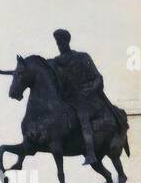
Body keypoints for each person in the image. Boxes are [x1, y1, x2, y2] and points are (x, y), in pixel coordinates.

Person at [50, 28, 127, 167]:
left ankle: (90, 152)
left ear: (67, 41)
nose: (59, 44)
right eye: (57, 42)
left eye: (61, 41)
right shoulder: (55, 62)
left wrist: (89, 89)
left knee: (82, 115)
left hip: (87, 99)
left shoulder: (82, 57)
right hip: (68, 100)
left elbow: (98, 78)